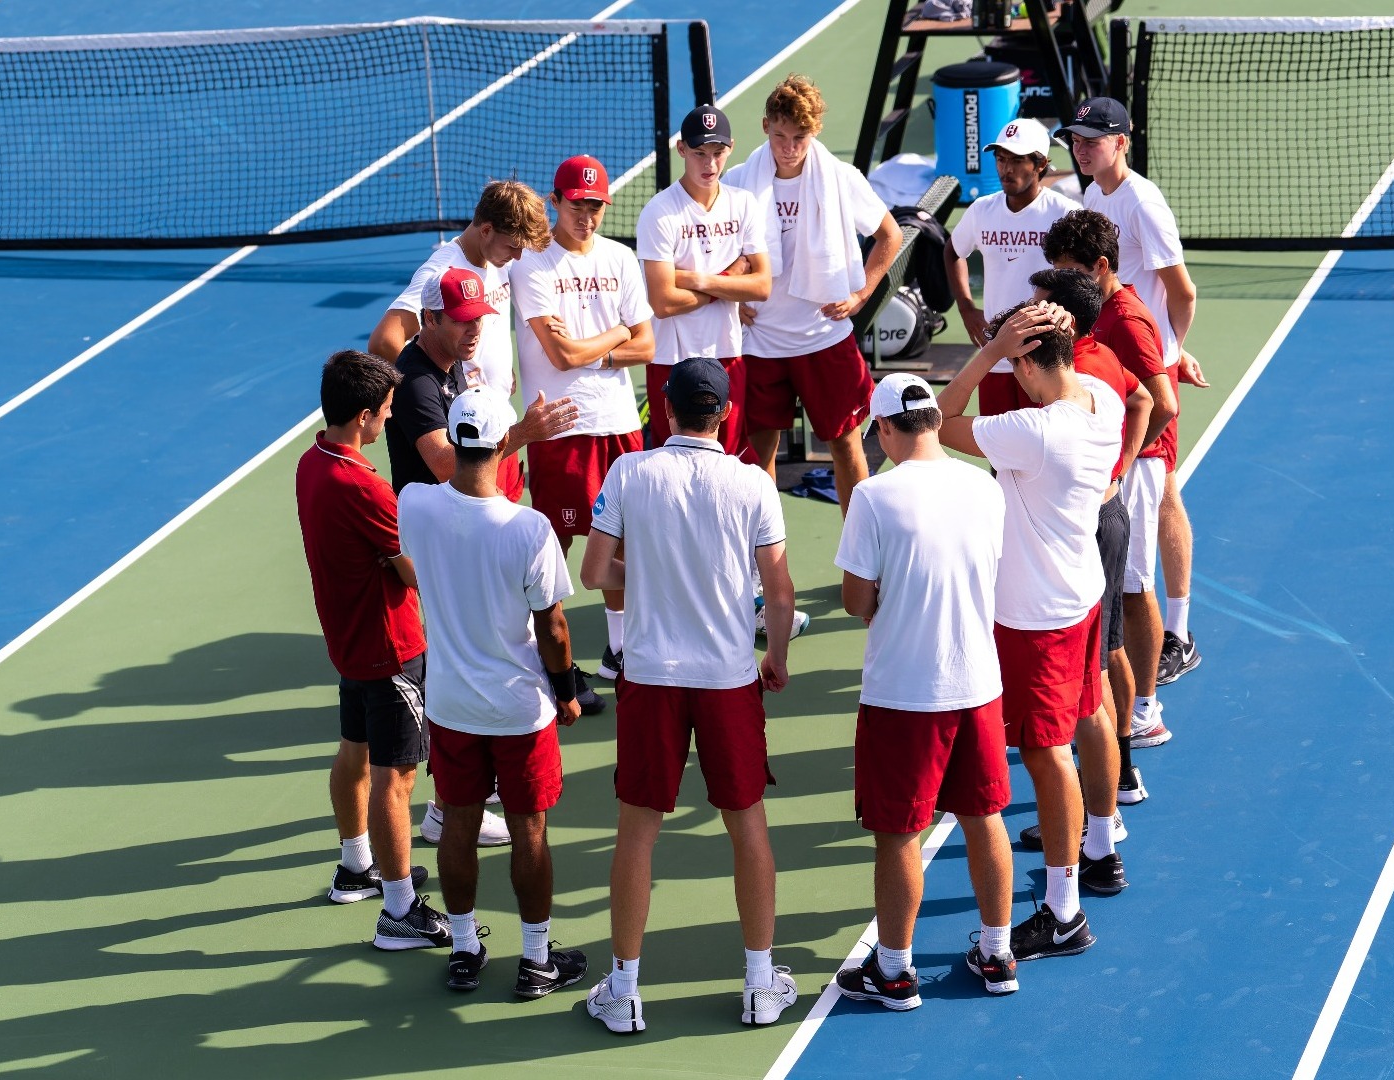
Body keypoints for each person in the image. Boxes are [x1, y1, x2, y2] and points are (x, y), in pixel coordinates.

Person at [578, 357, 799, 1032]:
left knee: (637, 831)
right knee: (747, 825)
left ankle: (622, 991)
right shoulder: (750, 483)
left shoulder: (628, 473)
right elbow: (780, 591)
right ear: (726, 414)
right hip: (728, 679)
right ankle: (760, 987)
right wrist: (776, 656)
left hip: (649, 677)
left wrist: (649, 564)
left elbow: (592, 573)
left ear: (663, 410)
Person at [935, 308, 1120, 962]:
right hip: (1078, 595)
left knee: (1046, 755)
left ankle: (1063, 913)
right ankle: (1098, 848)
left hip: (1035, 617)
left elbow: (940, 420)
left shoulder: (1032, 432)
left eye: (1017, 361)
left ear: (1029, 361)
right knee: (1085, 715)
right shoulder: (1101, 400)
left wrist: (986, 353)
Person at [397, 386, 591, 999]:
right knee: (528, 830)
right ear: (505, 443)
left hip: (450, 704)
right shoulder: (529, 528)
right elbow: (553, 627)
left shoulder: (415, 505)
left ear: (453, 440)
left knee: (458, 822)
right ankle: (535, 961)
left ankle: (463, 949)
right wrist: (565, 691)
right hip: (518, 707)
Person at [383, 266, 589, 842]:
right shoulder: (421, 384)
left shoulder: (449, 368)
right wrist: (518, 433)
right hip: (438, 536)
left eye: (480, 318)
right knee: (456, 656)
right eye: (463, 320)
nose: (476, 329)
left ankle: (453, 798)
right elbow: (450, 464)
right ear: (430, 320)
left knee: (468, 650)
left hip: (455, 524)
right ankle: (446, 809)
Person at [832, 373, 1016, 1010]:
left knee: (899, 832)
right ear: (936, 421)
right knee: (983, 816)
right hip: (979, 684)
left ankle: (895, 969)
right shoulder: (984, 487)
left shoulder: (874, 497)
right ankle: (997, 953)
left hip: (904, 693)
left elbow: (857, 600)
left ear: (885, 429)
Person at [1062, 98, 1206, 688]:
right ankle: (1176, 631)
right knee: (1163, 496)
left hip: (1146, 375)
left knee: (1152, 504)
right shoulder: (1095, 196)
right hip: (1120, 367)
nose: (1083, 146)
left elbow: (1184, 291)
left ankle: (1174, 636)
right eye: (1077, 137)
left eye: (1095, 138)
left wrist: (1168, 354)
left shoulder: (1143, 203)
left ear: (1122, 141)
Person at [1019, 269, 1153, 895]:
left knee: (1064, 723)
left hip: (1067, 556)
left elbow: (949, 425)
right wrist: (1115, 473)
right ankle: (1100, 824)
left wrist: (1109, 477)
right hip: (1100, 522)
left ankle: (1082, 857)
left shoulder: (1051, 385)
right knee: (1094, 687)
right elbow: (1148, 400)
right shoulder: (1099, 369)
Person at [294, 350, 431, 934]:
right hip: (390, 647)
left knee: (354, 751)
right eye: (388, 412)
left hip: (348, 641)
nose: (390, 420)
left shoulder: (310, 462)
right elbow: (414, 570)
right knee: (395, 779)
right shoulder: (363, 487)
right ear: (365, 416)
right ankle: (400, 910)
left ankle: (356, 868)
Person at [724, 74, 903, 508]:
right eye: (781, 135)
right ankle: (762, 564)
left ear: (814, 132)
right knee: (757, 457)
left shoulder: (841, 178)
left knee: (846, 447)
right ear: (765, 126)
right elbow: (718, 251)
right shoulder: (737, 180)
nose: (789, 147)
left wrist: (861, 295)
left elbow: (889, 236)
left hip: (823, 336)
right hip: (760, 338)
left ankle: (863, 559)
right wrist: (732, 297)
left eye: (800, 137)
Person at [510, 154, 655, 683]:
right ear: (556, 203)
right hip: (561, 425)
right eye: (577, 206)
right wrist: (617, 333)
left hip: (619, 423)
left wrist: (612, 345)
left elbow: (649, 343)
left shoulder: (619, 258)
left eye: (595, 207)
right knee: (553, 545)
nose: (587, 217)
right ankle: (550, 660)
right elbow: (562, 357)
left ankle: (617, 650)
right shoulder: (532, 262)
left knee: (629, 540)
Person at [1044, 208, 1179, 774]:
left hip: (1135, 464)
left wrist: (1120, 465)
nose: (1060, 281)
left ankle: (1144, 709)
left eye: (1070, 270)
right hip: (1110, 463)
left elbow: (1160, 400)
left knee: (1132, 587)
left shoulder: (1122, 318)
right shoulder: (1101, 313)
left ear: (1100, 267)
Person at [369, 180, 553, 503]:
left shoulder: (498, 260)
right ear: (486, 230)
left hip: (500, 431)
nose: (518, 256)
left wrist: (496, 371)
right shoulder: (441, 273)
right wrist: (438, 387)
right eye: (513, 246)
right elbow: (385, 340)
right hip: (469, 445)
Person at [635, 104, 770, 460]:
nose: (709, 164)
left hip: (727, 353)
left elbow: (761, 286)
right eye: (699, 153)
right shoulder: (659, 212)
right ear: (681, 149)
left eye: (717, 152)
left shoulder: (744, 205)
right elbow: (663, 304)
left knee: (729, 460)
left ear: (730, 148)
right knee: (674, 464)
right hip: (670, 359)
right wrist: (728, 281)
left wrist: (694, 280)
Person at [944, 118, 1079, 417]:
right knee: (998, 454)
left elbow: (1087, 276)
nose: (1006, 169)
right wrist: (967, 308)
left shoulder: (1065, 213)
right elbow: (953, 251)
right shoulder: (982, 210)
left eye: (1017, 161)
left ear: (1041, 164)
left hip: (1046, 357)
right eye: (1001, 159)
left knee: (1043, 448)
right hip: (997, 357)